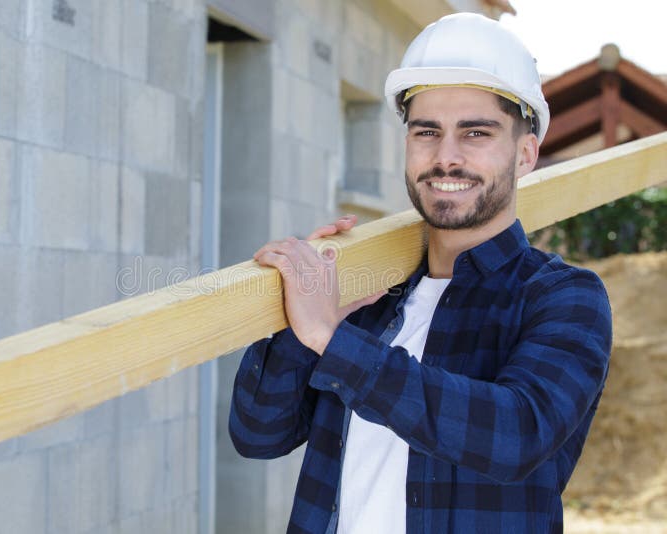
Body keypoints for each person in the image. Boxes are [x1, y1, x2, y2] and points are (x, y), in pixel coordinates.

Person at [228, 12, 613, 534]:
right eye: (426, 131)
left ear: (525, 154)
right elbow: (257, 434)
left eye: (475, 133)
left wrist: (331, 337)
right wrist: (304, 325)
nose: (446, 158)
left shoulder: (564, 298)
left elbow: (515, 435)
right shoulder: (371, 300)